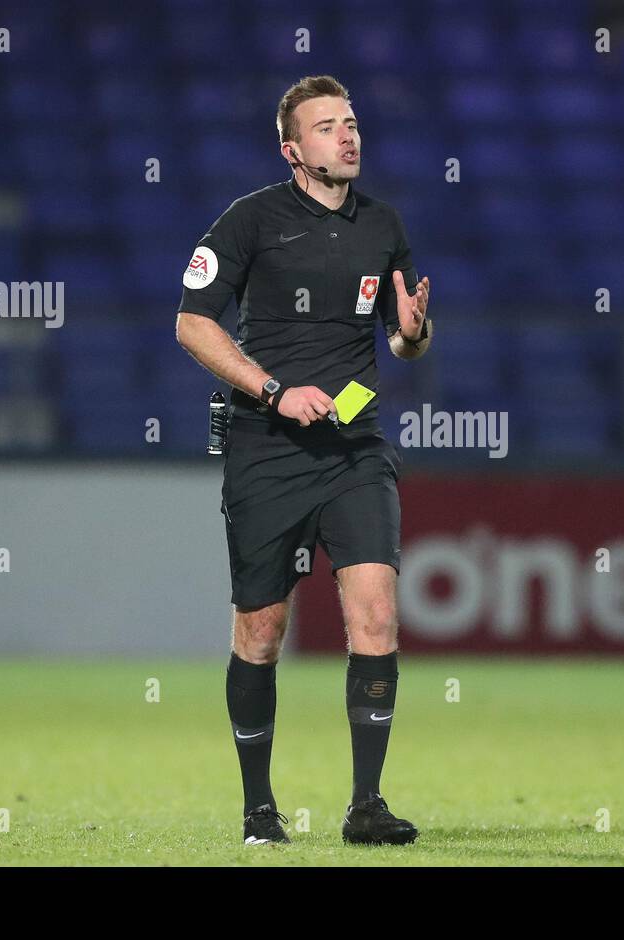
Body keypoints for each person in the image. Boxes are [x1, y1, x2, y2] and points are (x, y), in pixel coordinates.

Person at [175, 75, 432, 846]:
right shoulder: (251, 220)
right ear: (292, 151)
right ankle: (259, 808)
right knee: (261, 631)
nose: (346, 136)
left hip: (354, 447)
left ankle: (367, 806)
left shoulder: (382, 224)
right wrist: (274, 390)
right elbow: (192, 324)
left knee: (377, 615)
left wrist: (413, 334)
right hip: (268, 447)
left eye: (350, 123)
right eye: (326, 127)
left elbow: (399, 341)